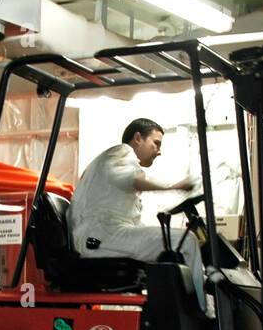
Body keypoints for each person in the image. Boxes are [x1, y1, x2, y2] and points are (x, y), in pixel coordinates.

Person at [69, 117, 206, 308]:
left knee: (178, 243)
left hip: (103, 235)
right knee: (187, 241)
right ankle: (202, 313)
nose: (159, 151)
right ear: (138, 138)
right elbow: (130, 180)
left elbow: (132, 211)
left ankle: (178, 309)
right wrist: (172, 187)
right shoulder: (121, 152)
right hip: (100, 237)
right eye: (156, 143)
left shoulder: (114, 169)